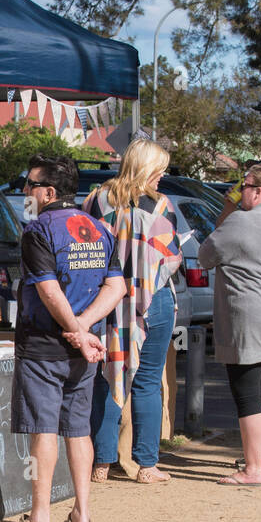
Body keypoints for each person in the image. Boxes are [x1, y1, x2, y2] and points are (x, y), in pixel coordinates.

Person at [0, 154, 126, 522]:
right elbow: (116, 286)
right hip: (84, 350)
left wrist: (75, 329)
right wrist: (85, 331)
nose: (24, 191)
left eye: (30, 184)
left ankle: (40, 519)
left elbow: (48, 290)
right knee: (78, 430)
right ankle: (82, 515)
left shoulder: (38, 230)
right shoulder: (99, 228)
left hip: (44, 345)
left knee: (44, 431)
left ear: (49, 192)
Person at [84, 138, 182, 484]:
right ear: (146, 168)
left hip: (108, 301)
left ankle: (101, 462)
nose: (162, 176)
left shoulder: (97, 200)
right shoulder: (160, 206)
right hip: (152, 301)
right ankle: (146, 464)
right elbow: (171, 258)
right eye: (160, 169)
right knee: (147, 382)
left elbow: (89, 249)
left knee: (108, 378)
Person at [197, 162, 261, 486]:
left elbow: (205, 255)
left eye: (244, 185)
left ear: (257, 191)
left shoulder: (240, 221)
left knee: (246, 394)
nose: (239, 191)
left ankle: (253, 469)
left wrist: (229, 210)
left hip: (250, 318)